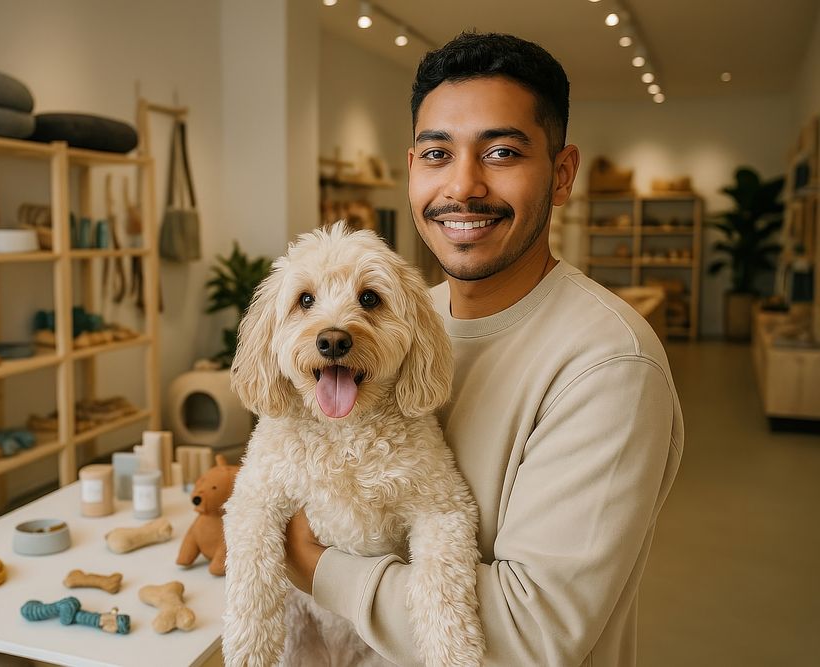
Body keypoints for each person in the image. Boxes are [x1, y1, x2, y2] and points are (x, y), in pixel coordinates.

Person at [285, 32, 684, 666]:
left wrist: (312, 564)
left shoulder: (608, 365)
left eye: (500, 152)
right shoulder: (398, 325)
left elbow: (530, 636)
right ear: (413, 169)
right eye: (438, 153)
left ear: (561, 174)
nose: (464, 186)